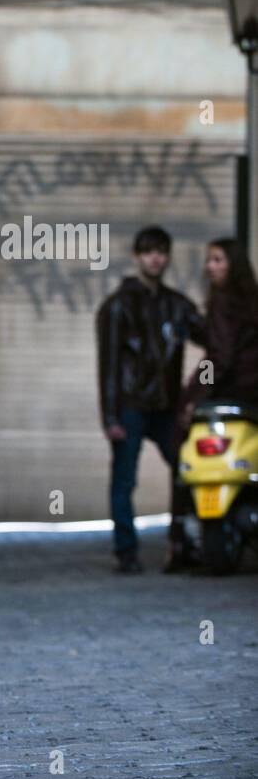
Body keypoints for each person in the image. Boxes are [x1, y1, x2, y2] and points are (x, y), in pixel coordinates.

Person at [96, 225, 204, 574]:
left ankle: (181, 542)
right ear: (136, 257)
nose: (156, 258)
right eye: (149, 251)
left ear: (167, 256)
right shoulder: (117, 307)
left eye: (161, 251)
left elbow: (211, 335)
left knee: (187, 468)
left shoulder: (176, 305)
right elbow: (109, 365)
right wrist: (110, 418)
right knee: (125, 480)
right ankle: (125, 552)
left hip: (165, 407)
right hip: (129, 405)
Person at [176, 236, 258, 469]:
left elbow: (218, 358)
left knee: (184, 450)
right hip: (251, 394)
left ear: (233, 264)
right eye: (208, 260)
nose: (209, 266)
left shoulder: (223, 301)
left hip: (230, 391)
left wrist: (197, 394)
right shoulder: (250, 300)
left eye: (217, 260)